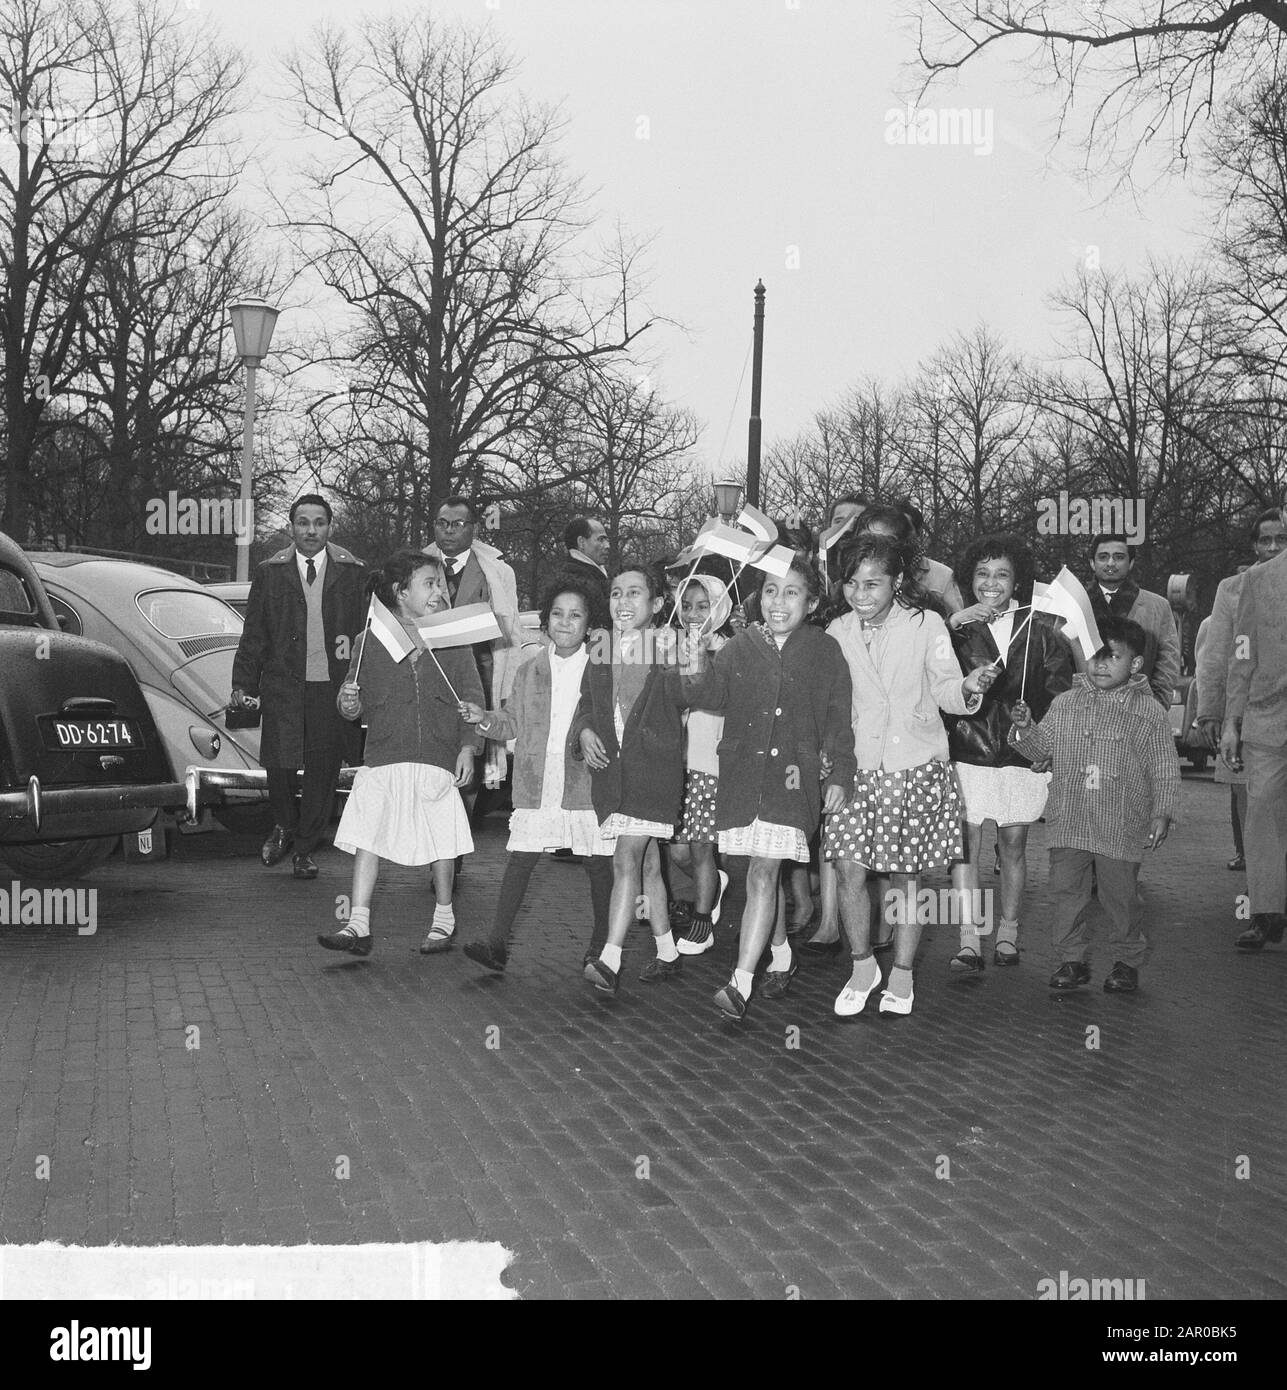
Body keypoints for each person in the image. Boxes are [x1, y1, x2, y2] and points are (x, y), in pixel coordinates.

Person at [824, 534, 996, 1017]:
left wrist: (967, 686)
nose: (860, 595)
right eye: (852, 584)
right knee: (847, 869)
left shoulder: (927, 624)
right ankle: (862, 965)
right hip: (856, 766)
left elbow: (944, 687)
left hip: (914, 765)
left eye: (873, 584)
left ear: (898, 582)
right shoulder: (837, 631)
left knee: (906, 875)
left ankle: (901, 973)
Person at [682, 554, 856, 1020]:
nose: (779, 602)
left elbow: (840, 719)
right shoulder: (740, 646)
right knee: (754, 873)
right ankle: (781, 953)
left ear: (812, 601)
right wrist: (696, 663)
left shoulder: (824, 651)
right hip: (742, 777)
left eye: (793, 592)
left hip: (792, 782)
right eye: (772, 591)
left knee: (762, 872)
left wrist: (840, 772)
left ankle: (740, 982)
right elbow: (709, 698)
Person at [316, 551, 482, 957]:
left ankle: (443, 919)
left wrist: (468, 747)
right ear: (400, 592)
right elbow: (351, 706)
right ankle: (358, 925)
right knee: (367, 837)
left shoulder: (453, 640)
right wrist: (348, 702)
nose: (439, 591)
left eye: (441, 584)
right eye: (429, 583)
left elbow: (473, 697)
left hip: (437, 758)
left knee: (442, 841)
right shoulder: (369, 641)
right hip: (385, 756)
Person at [1010, 616, 1180, 993]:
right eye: (1094, 656)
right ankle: (1071, 960)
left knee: (1120, 897)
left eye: (1112, 656)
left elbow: (1164, 766)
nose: (1101, 664)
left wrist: (1162, 811)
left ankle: (1126, 961)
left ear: (1135, 664)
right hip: (1069, 818)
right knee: (1066, 892)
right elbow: (1040, 749)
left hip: (1120, 822)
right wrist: (1025, 728)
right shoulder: (1066, 703)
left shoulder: (1148, 712)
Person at [456, 574, 614, 973]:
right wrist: (484, 719)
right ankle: (497, 943)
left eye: (575, 615)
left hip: (585, 780)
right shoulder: (528, 670)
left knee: (597, 862)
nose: (565, 622)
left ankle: (601, 946)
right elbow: (510, 722)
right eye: (557, 614)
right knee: (521, 859)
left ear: (590, 624)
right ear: (545, 623)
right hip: (537, 781)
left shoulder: (601, 668)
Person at [943, 533, 1074, 971]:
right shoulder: (956, 628)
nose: (991, 583)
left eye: (1002, 574)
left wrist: (1032, 719)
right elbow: (932, 678)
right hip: (968, 748)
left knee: (1014, 843)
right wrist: (953, 622)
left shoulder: (1045, 627)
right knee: (966, 845)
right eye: (982, 573)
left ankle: (1009, 933)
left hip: (1020, 751)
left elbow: (1058, 692)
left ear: (1018, 579)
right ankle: (967, 938)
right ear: (969, 578)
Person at [231, 494, 367, 880]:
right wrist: (243, 682)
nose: (311, 530)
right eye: (303, 522)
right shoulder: (271, 571)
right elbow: (254, 632)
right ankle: (284, 825)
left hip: (332, 687)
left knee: (323, 771)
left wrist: (360, 681)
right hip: (283, 685)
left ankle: (305, 848)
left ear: (329, 526)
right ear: (291, 527)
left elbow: (364, 635)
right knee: (280, 764)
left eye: (319, 522)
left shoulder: (353, 572)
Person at [574, 565, 687, 996]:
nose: (623, 602)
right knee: (649, 863)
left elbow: (694, 693)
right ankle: (668, 952)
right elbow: (587, 702)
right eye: (616, 593)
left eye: (634, 593)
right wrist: (584, 731)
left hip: (652, 773)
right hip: (615, 774)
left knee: (624, 859)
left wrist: (688, 659)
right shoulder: (600, 647)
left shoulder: (668, 646)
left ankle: (610, 958)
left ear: (657, 605)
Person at [423, 496, 530, 817]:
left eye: (458, 524)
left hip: (480, 683)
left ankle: (455, 846)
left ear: (474, 529)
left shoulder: (498, 572)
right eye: (442, 524)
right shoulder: (415, 564)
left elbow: (510, 633)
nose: (449, 531)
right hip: (431, 679)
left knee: (470, 765)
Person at [1197, 510, 1287, 873]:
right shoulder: (1232, 589)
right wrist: (1211, 712)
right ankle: (1260, 900)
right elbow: (1215, 655)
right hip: (1250, 714)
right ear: (1254, 545)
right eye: (1265, 540)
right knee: (1253, 806)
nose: (1273, 547)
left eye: (1281, 539)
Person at [1221, 539, 1287, 951]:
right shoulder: (1258, 580)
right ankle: (1265, 913)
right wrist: (1231, 721)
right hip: (1267, 719)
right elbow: (1240, 654)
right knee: (1261, 810)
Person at [669, 573, 733, 956]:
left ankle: (702, 921)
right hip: (677, 762)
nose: (693, 614)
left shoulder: (730, 651)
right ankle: (714, 884)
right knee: (677, 851)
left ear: (720, 609)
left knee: (699, 848)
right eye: (687, 606)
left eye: (703, 606)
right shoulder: (673, 648)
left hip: (711, 762)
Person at [1085, 534, 1181, 708]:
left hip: (1139, 711)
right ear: (1092, 563)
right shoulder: (1075, 605)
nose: (1111, 563)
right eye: (1103, 557)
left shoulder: (1157, 607)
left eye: (1119, 557)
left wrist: (1155, 706)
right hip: (1083, 713)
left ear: (1131, 563)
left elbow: (1168, 663)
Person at [559, 516, 611, 614]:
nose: (607, 546)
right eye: (601, 539)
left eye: (606, 540)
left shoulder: (587, 575)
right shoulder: (577, 581)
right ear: (581, 542)